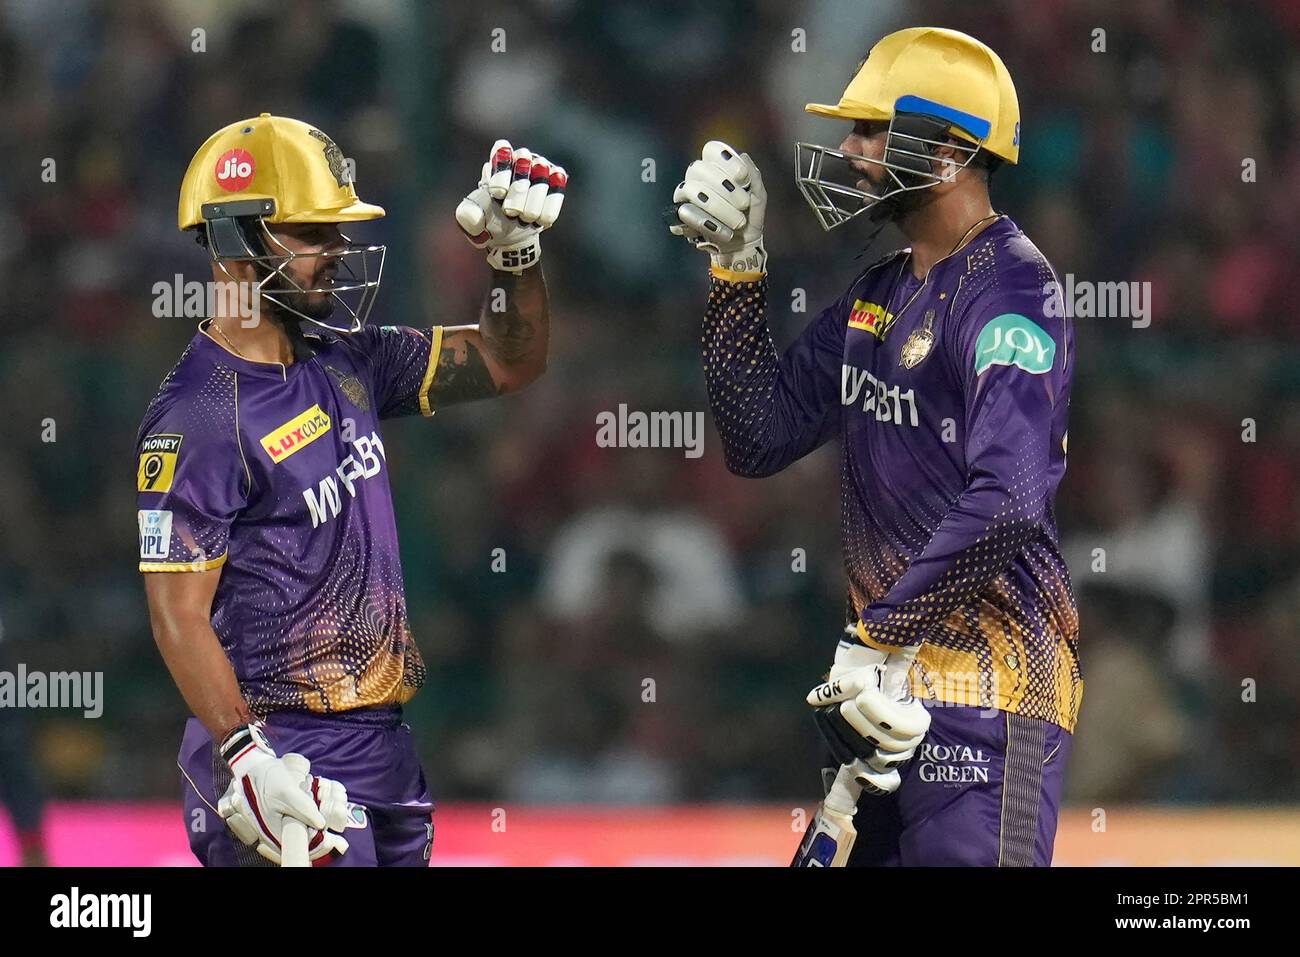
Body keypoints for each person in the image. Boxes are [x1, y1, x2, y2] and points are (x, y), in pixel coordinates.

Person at [671, 27, 1080, 866]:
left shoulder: (1015, 290)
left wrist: (877, 634)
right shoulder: (880, 293)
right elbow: (760, 436)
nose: (851, 152)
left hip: (987, 697)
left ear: (948, 151)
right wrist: (737, 271)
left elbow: (1011, 493)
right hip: (882, 700)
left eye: (871, 130)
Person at [137, 115, 566, 865]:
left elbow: (507, 360)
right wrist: (247, 757)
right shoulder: (198, 417)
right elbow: (177, 615)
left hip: (384, 748)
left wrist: (514, 255)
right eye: (313, 233)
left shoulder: (348, 356)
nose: (338, 251)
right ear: (238, 241)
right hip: (278, 755)